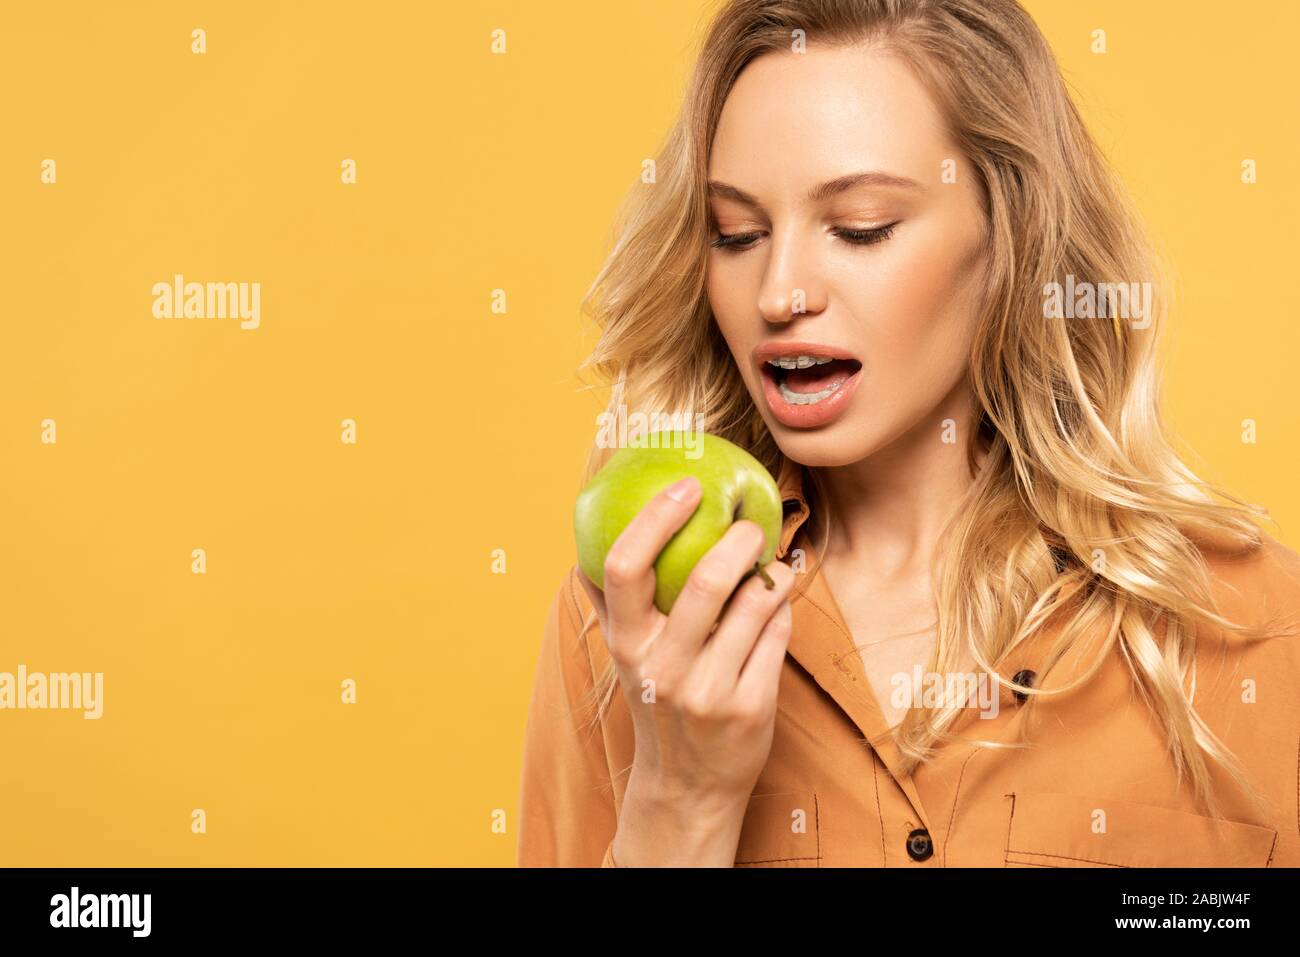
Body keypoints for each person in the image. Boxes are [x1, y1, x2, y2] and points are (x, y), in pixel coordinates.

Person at [518, 0, 1300, 867]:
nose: (780, 293)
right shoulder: (625, 629)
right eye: (736, 234)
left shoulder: (1255, 628)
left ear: (1010, 237)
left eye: (861, 228)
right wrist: (679, 805)